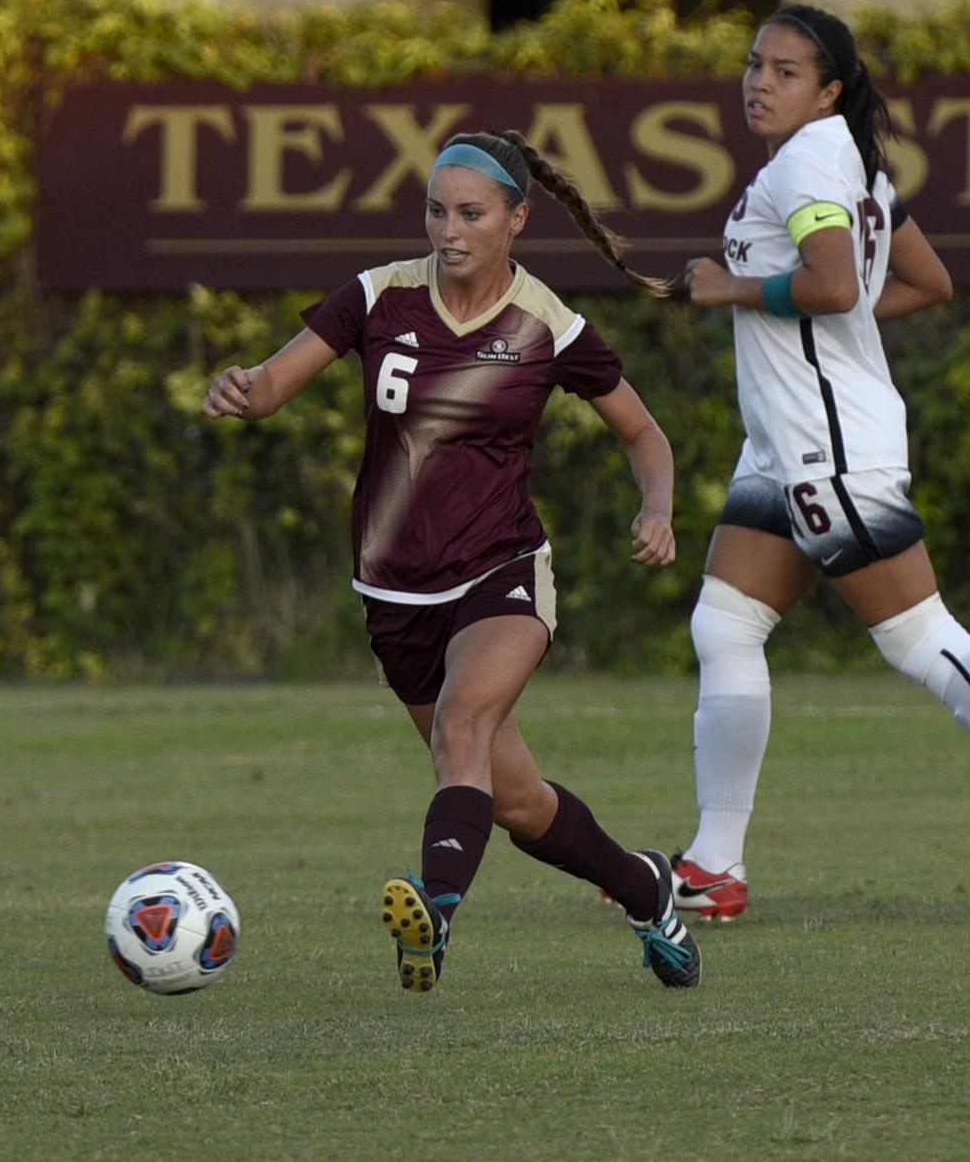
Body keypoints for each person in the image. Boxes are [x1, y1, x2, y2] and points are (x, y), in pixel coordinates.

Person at [668, 2, 970, 927]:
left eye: (786, 70)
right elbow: (926, 282)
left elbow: (837, 286)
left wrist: (736, 289)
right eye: (755, 63)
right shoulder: (851, 160)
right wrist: (813, 325)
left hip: (827, 447)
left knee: (921, 641)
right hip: (787, 443)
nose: (759, 80)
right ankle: (715, 864)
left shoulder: (808, 159)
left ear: (829, 90)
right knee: (725, 625)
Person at [203, 131, 700, 992]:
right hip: (394, 594)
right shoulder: (375, 296)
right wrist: (242, 388)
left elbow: (643, 432)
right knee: (516, 802)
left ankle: (434, 914)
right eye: (437, 210)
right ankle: (645, 884)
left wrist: (656, 505)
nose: (450, 229)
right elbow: (277, 383)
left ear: (516, 218)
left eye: (471, 213)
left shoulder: (549, 324)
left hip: (502, 566)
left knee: (459, 729)